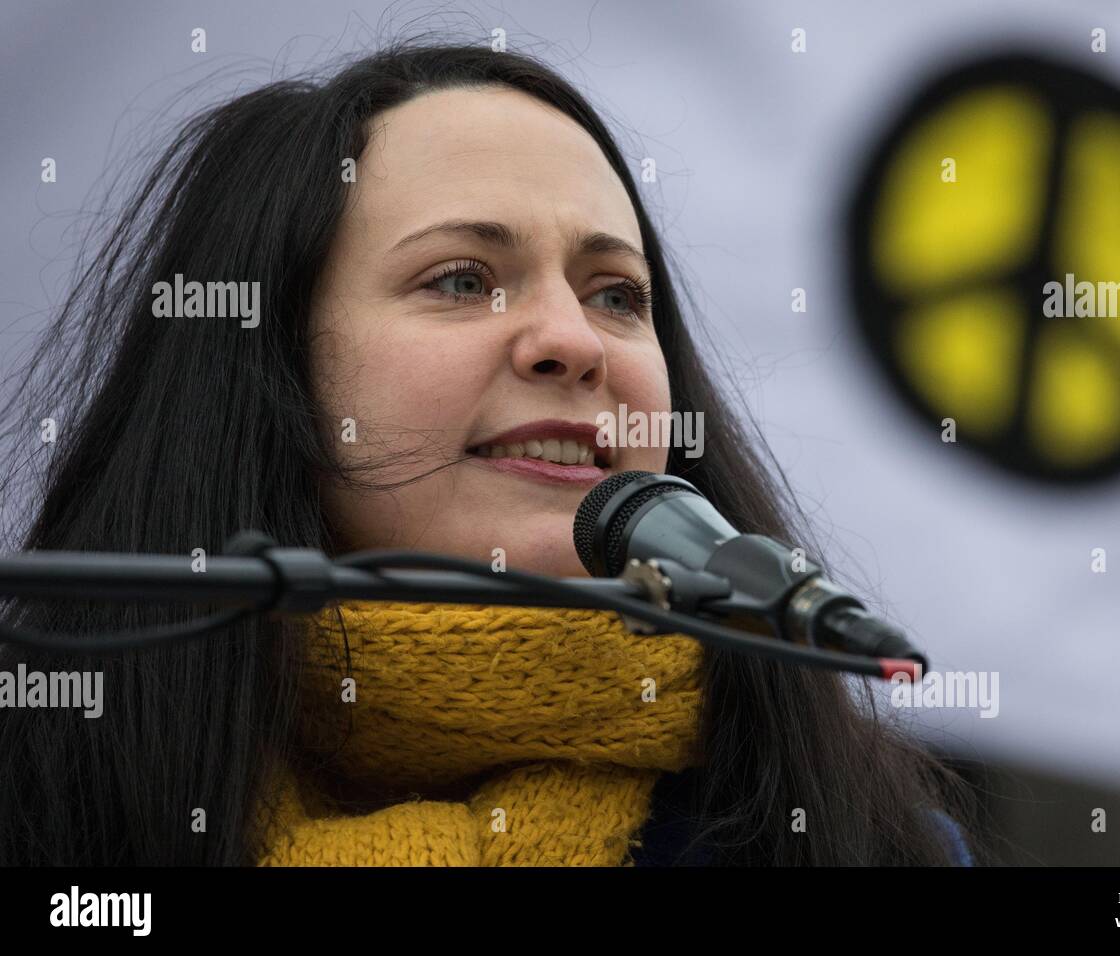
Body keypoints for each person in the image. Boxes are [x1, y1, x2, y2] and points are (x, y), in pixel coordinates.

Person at [0, 39, 981, 866]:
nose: (574, 339)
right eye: (463, 279)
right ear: (269, 366)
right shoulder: (44, 798)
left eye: (616, 294)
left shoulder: (865, 841)